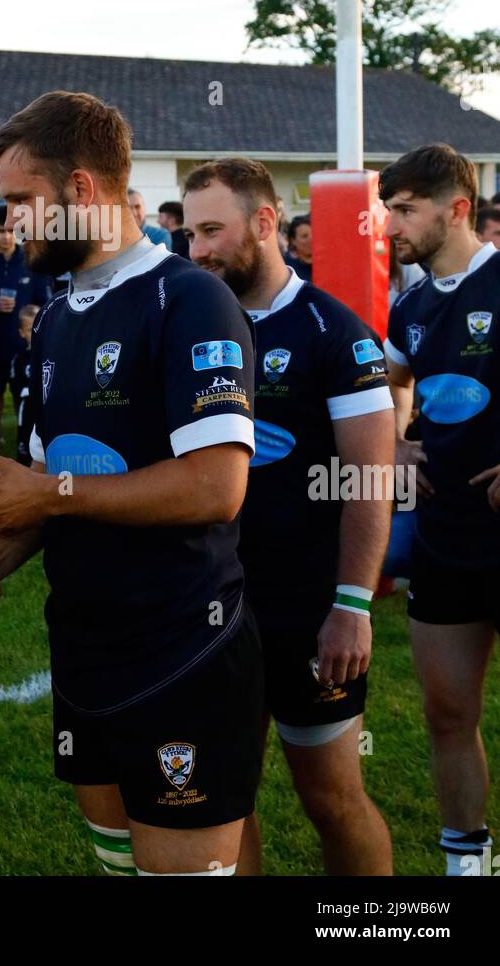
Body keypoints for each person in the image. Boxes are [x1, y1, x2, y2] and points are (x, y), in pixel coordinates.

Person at [0, 90, 263, 878]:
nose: (10, 220)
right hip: (84, 646)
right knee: (118, 868)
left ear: (82, 191)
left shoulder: (186, 299)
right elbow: (47, 483)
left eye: (21, 201)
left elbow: (217, 487)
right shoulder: (55, 315)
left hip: (183, 647)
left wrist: (52, 496)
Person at [183, 158, 394, 876]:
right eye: (189, 233)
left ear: (266, 222)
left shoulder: (335, 333)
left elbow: (370, 478)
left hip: (306, 610)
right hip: (208, 607)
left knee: (331, 796)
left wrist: (353, 603)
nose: (197, 249)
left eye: (213, 229)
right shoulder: (187, 328)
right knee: (221, 801)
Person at [381, 143, 500, 875]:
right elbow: (391, 384)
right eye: (386, 210)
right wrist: (393, 446)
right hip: (447, 536)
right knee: (448, 713)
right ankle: (468, 865)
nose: (390, 225)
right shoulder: (412, 305)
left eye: (403, 210)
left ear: (456, 208)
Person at [0, 204, 51, 454]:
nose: (7, 236)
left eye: (12, 231)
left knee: (24, 406)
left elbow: (45, 303)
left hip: (23, 350)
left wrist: (30, 316)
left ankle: (26, 461)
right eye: (1, 231)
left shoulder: (31, 263)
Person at [8, 303, 39, 467]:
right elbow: (15, 386)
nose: (34, 333)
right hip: (27, 407)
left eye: (37, 327)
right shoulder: (20, 358)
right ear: (21, 332)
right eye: (29, 329)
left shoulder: (53, 353)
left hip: (47, 407)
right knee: (26, 439)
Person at [285, 215, 313, 280]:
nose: (311, 240)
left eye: (314, 234)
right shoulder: (286, 267)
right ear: (293, 241)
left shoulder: (325, 264)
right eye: (304, 236)